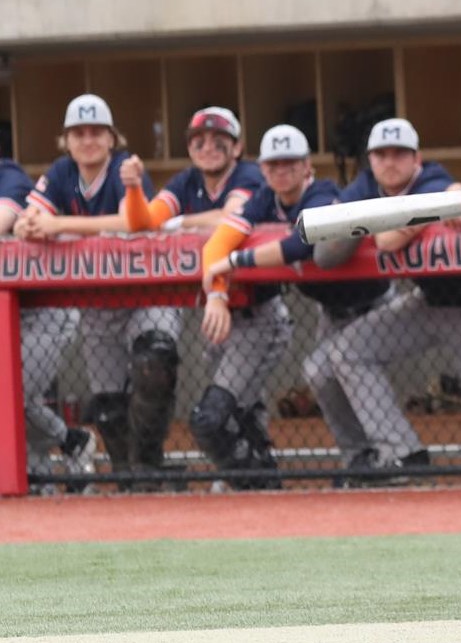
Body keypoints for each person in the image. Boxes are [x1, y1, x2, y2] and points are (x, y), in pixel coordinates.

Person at [304, 118, 461, 482]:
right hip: (428, 300)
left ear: (416, 158)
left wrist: (427, 211)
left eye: (399, 154)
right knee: (347, 352)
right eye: (381, 154)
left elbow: (449, 196)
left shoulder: (429, 178)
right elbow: (326, 254)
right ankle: (403, 453)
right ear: (370, 160)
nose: (389, 162)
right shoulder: (365, 186)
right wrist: (398, 221)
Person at [17, 95, 178, 486]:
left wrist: (59, 227)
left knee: (153, 364)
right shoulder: (60, 172)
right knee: (107, 410)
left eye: (96, 133)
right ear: (67, 141)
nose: (87, 140)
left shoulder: (127, 169)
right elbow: (27, 221)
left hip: (146, 296)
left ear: (111, 138)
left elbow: (130, 223)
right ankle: (130, 478)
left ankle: (150, 465)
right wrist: (33, 225)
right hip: (97, 304)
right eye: (78, 133)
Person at [196, 125, 363, 488]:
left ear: (307, 167)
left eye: (290, 164)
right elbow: (217, 244)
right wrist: (217, 294)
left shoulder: (323, 192)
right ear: (264, 170)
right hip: (328, 309)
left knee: (341, 373)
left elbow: (304, 241)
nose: (281, 171)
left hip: (370, 300)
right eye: (273, 164)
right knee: (322, 377)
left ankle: (385, 459)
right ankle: (361, 461)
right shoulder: (264, 198)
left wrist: (238, 261)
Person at [0, 155, 96, 488]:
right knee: (16, 398)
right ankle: (49, 464)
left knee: (12, 393)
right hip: (9, 315)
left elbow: (3, 219)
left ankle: (70, 441)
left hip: (44, 310)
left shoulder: (9, 175)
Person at [122, 106, 263, 233]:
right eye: (199, 142)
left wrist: (181, 222)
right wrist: (133, 188)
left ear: (237, 148)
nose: (207, 148)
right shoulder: (186, 179)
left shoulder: (249, 174)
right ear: (190, 149)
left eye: (218, 141)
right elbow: (145, 223)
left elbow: (231, 219)